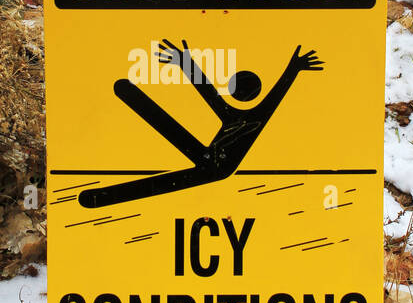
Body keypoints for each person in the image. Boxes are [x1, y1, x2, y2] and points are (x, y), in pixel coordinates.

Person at [78, 38, 322, 208]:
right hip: (208, 158)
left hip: (217, 169)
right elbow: (209, 93)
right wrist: (185, 63)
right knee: (174, 134)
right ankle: (128, 94)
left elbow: (216, 94)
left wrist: (294, 69)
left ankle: (98, 198)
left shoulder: (254, 116)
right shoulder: (246, 114)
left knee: (160, 178)